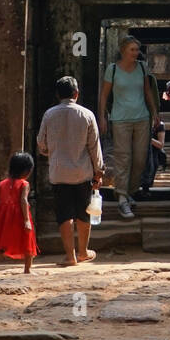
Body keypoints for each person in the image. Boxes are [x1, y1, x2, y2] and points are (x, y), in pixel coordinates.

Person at [36, 75, 105, 266]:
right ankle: (83, 251)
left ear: (58, 95)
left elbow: (41, 143)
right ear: (76, 93)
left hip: (59, 172)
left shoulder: (50, 114)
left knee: (64, 214)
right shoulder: (87, 115)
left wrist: (51, 151)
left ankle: (70, 255)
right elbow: (94, 147)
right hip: (82, 172)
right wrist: (99, 171)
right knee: (84, 213)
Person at [98, 36, 161, 220]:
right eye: (132, 49)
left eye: (137, 50)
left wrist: (154, 112)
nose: (136, 53)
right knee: (123, 157)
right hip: (120, 119)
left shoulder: (142, 67)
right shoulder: (113, 69)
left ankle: (129, 190)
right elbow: (104, 95)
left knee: (140, 159)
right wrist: (102, 116)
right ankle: (123, 198)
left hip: (142, 118)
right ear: (124, 50)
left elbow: (148, 91)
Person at [0, 152, 37, 277]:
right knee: (28, 241)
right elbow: (23, 201)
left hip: (3, 217)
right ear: (27, 171)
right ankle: (27, 269)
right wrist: (26, 220)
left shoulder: (2, 183)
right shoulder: (24, 184)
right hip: (19, 216)